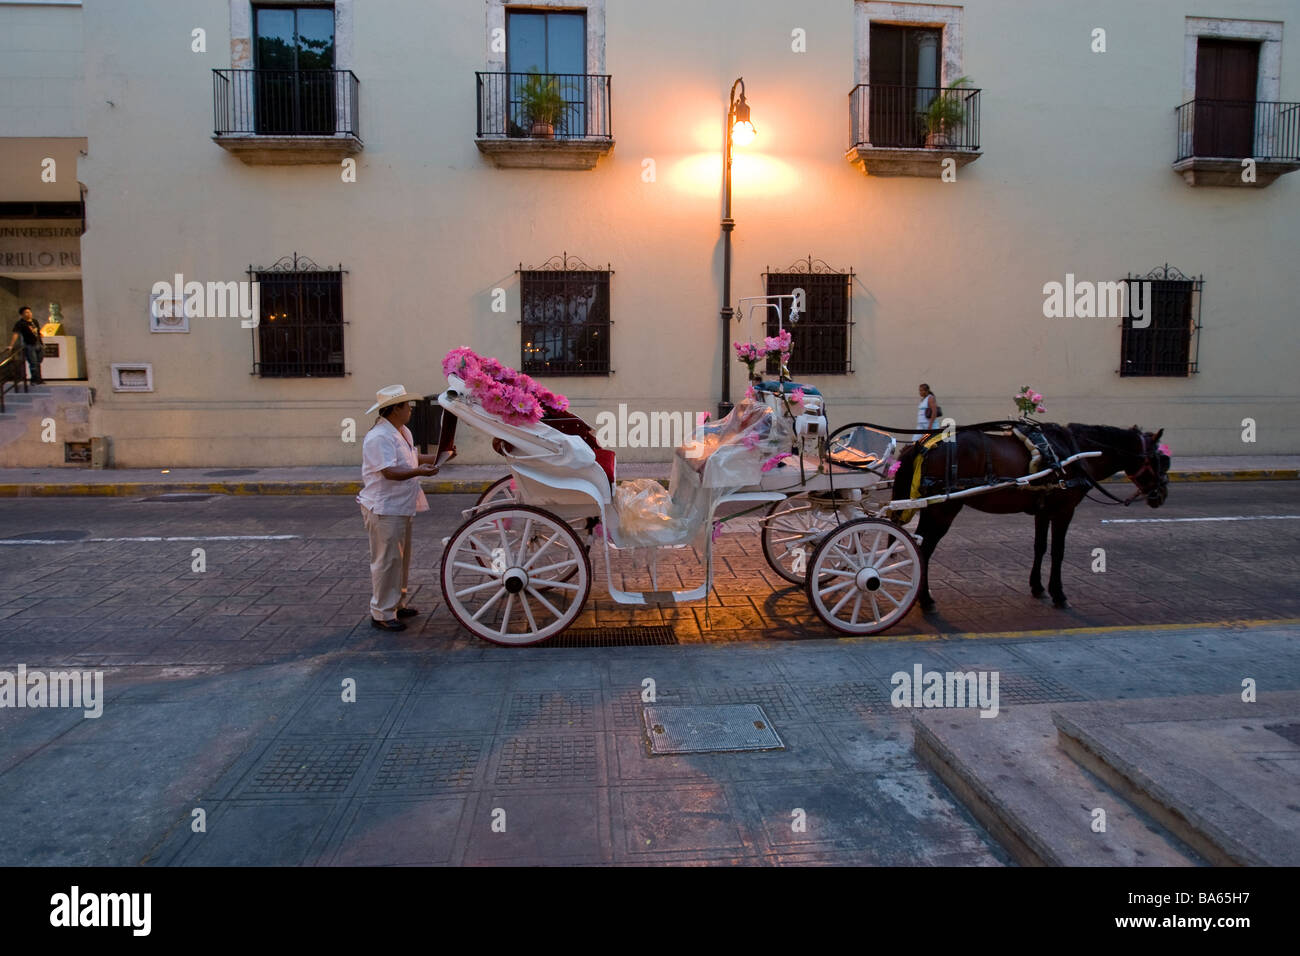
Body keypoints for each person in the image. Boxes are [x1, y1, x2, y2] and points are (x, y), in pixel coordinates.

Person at [357, 385, 448, 632]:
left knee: (400, 559)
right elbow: (389, 471)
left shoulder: (402, 431)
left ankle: (397, 603)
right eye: (407, 406)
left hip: (400, 505)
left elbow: (412, 459)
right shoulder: (379, 437)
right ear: (395, 409)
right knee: (386, 561)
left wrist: (442, 455)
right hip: (385, 507)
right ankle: (382, 612)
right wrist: (419, 471)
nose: (410, 410)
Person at [7, 306, 43, 384]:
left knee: (38, 362)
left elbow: (38, 332)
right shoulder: (20, 323)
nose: (29, 314)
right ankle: (34, 380)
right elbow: (16, 334)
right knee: (33, 362)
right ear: (22, 314)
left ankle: (39, 378)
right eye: (26, 312)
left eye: (30, 312)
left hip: (38, 343)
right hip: (29, 345)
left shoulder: (34, 321)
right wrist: (11, 345)